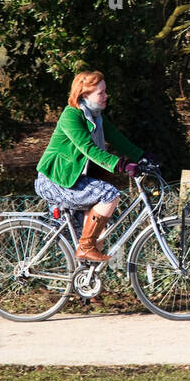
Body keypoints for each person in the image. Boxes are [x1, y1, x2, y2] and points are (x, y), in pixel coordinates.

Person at [34, 70, 146, 263]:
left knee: (100, 231)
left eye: (105, 91)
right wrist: (120, 164)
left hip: (77, 180)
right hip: (57, 181)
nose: (106, 96)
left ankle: (89, 286)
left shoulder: (97, 117)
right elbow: (88, 148)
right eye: (100, 93)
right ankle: (85, 247)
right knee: (109, 194)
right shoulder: (71, 116)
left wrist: (143, 156)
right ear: (84, 95)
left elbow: (118, 140)